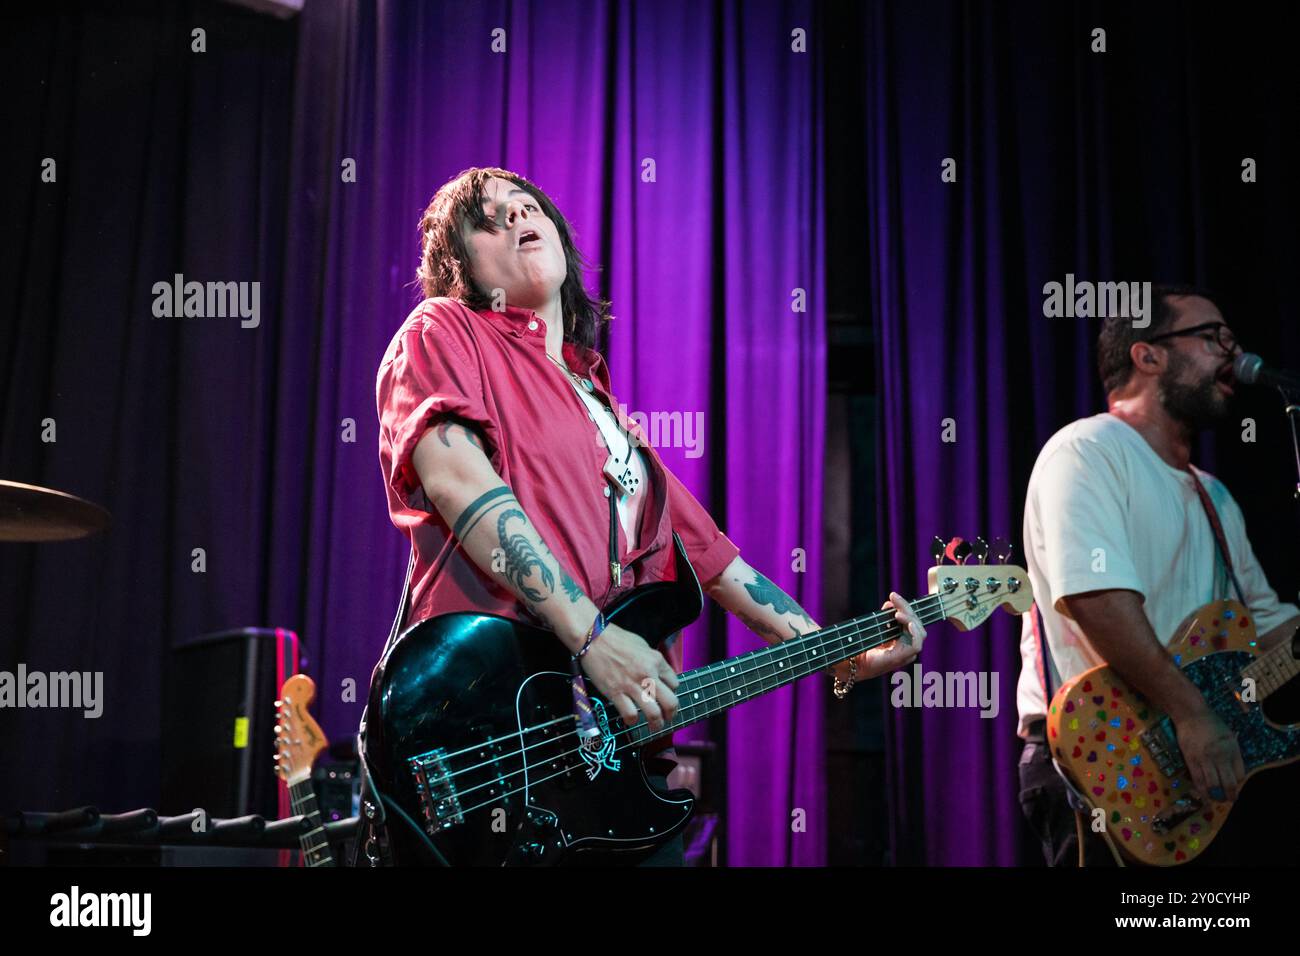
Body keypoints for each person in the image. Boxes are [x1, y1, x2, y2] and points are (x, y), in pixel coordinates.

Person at [374, 166, 927, 865]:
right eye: (490, 219)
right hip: (483, 728)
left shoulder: (608, 417)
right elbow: (459, 483)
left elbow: (723, 568)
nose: (518, 218)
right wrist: (594, 639)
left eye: (527, 206)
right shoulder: (444, 330)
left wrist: (841, 652)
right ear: (461, 266)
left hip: (605, 772)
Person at [1015, 285, 1300, 866]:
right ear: (1148, 355)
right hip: (1105, 763)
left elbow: (1268, 628)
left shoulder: (1214, 495)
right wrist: (1192, 713)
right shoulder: (1088, 449)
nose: (1232, 352)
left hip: (1199, 775)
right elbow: (1095, 597)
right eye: (1213, 337)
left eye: (1232, 338)